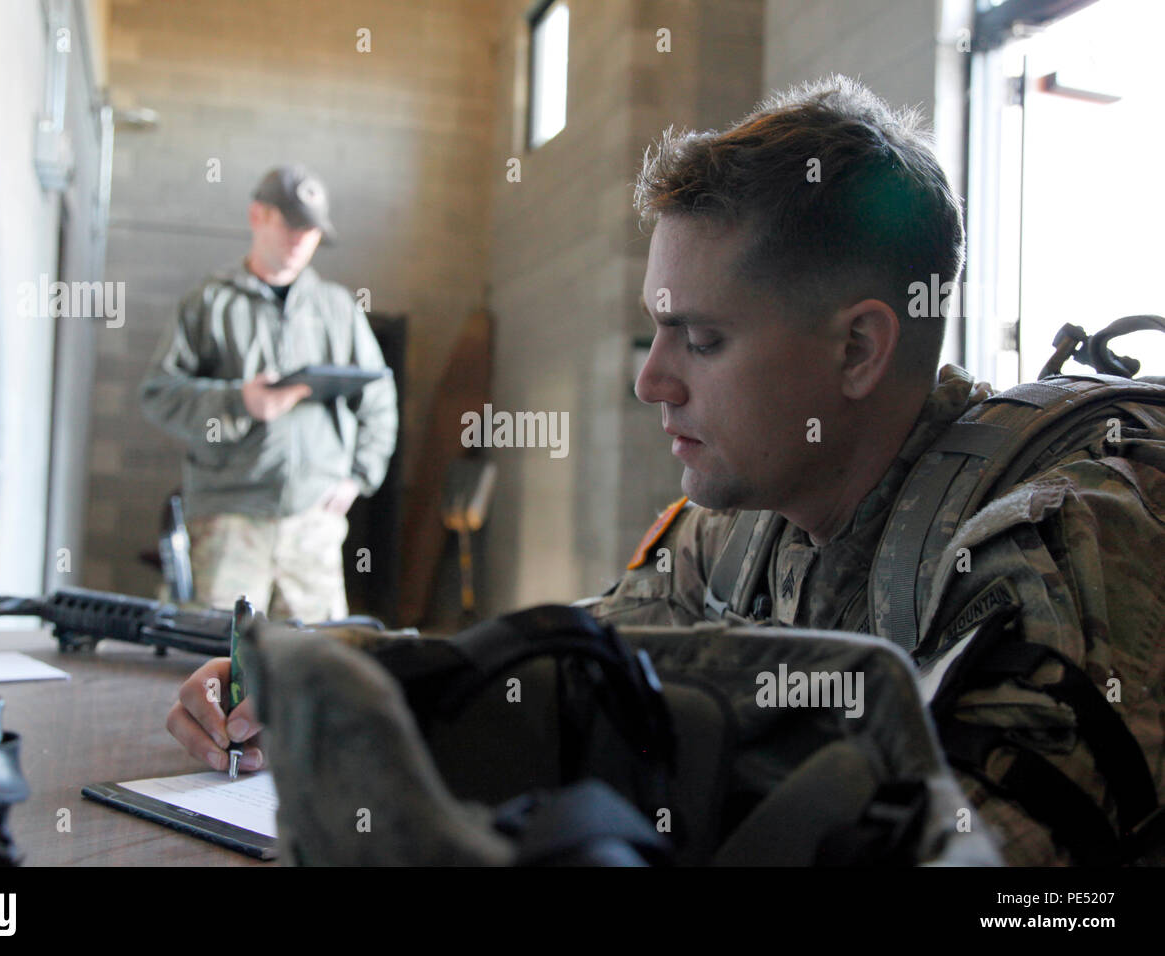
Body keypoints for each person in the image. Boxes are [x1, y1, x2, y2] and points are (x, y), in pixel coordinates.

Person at [166, 79, 1165, 864]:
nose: (651, 379)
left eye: (701, 338)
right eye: (655, 327)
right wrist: (330, 680)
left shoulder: (1062, 549)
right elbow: (575, 666)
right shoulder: (742, 519)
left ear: (858, 351)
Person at [140, 164, 397, 636]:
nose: (302, 240)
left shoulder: (337, 309)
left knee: (319, 666)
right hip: (228, 524)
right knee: (216, 663)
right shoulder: (209, 303)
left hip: (312, 524)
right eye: (291, 224)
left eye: (313, 231)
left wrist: (359, 476)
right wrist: (239, 403)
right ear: (257, 216)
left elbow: (379, 398)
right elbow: (159, 395)